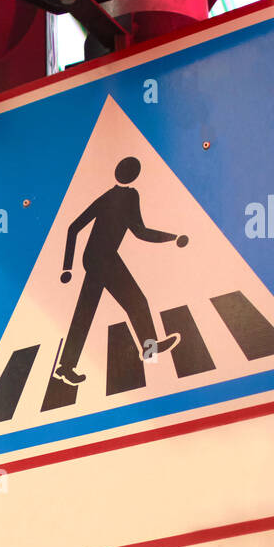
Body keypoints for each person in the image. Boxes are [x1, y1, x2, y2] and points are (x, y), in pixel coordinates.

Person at [54, 156, 189, 386]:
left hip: (95, 258)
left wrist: (69, 267)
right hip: (104, 259)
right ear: (134, 175)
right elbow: (141, 232)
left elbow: (73, 228)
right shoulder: (129, 196)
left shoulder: (109, 195)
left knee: (85, 312)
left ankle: (65, 367)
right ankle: (149, 348)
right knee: (135, 301)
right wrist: (172, 238)